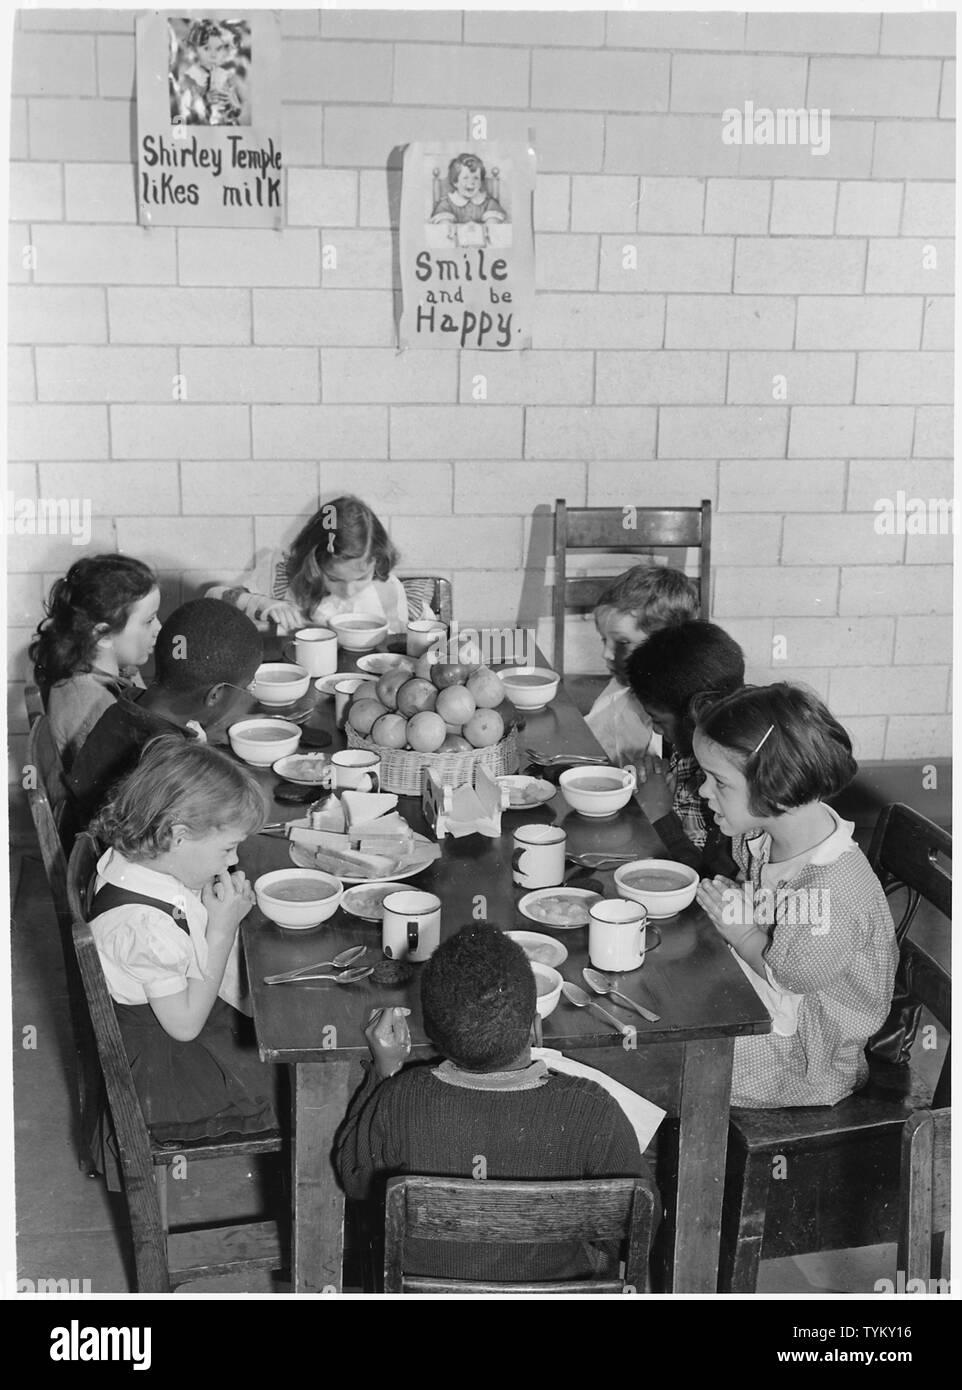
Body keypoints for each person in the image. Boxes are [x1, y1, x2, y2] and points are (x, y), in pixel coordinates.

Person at [334, 924, 659, 1284]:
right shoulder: (591, 1109)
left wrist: (384, 1073)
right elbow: (636, 1231)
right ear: (535, 1028)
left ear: (430, 1032)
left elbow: (354, 1178)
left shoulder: (401, 1098)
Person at [692, 684, 898, 1108]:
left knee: (675, 1058)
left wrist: (745, 932)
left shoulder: (833, 894)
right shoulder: (770, 831)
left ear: (777, 789)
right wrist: (746, 912)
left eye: (718, 782)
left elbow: (787, 976)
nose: (702, 792)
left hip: (808, 1059)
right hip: (780, 1004)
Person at [88, 736, 275, 1164]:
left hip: (166, 1025)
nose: (232, 861)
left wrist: (202, 896)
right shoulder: (143, 927)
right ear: (177, 835)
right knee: (298, 1080)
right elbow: (186, 1025)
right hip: (164, 1072)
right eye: (227, 848)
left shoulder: (134, 860)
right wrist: (223, 928)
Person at [66, 598, 261, 827]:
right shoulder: (170, 762)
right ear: (215, 695)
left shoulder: (123, 708)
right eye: (247, 686)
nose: (248, 692)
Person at [207, 495, 432, 636]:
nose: (348, 591)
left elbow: (424, 639)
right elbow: (213, 598)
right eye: (334, 579)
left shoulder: (388, 590)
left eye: (362, 578)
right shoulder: (281, 576)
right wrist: (264, 604)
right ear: (312, 562)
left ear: (378, 560)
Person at [626, 620, 745, 876]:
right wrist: (656, 776)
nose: (657, 730)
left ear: (697, 714)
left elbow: (708, 880)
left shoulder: (735, 781)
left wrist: (659, 815)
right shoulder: (698, 738)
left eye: (659, 720)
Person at [29, 555, 161, 769]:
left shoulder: (97, 671)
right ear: (104, 634)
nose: (159, 629)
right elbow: (129, 785)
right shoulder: (93, 703)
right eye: (148, 621)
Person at [585, 565, 699, 767]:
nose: (606, 654)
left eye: (622, 643)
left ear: (666, 645)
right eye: (604, 640)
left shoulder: (682, 713)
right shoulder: (622, 684)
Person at [430, 153, 507, 228]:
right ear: (455, 182)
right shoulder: (446, 204)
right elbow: (443, 228)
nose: (471, 182)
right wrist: (446, 223)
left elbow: (494, 227)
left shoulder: (488, 203)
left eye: (476, 178)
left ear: (481, 182)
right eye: (466, 178)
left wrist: (492, 221)